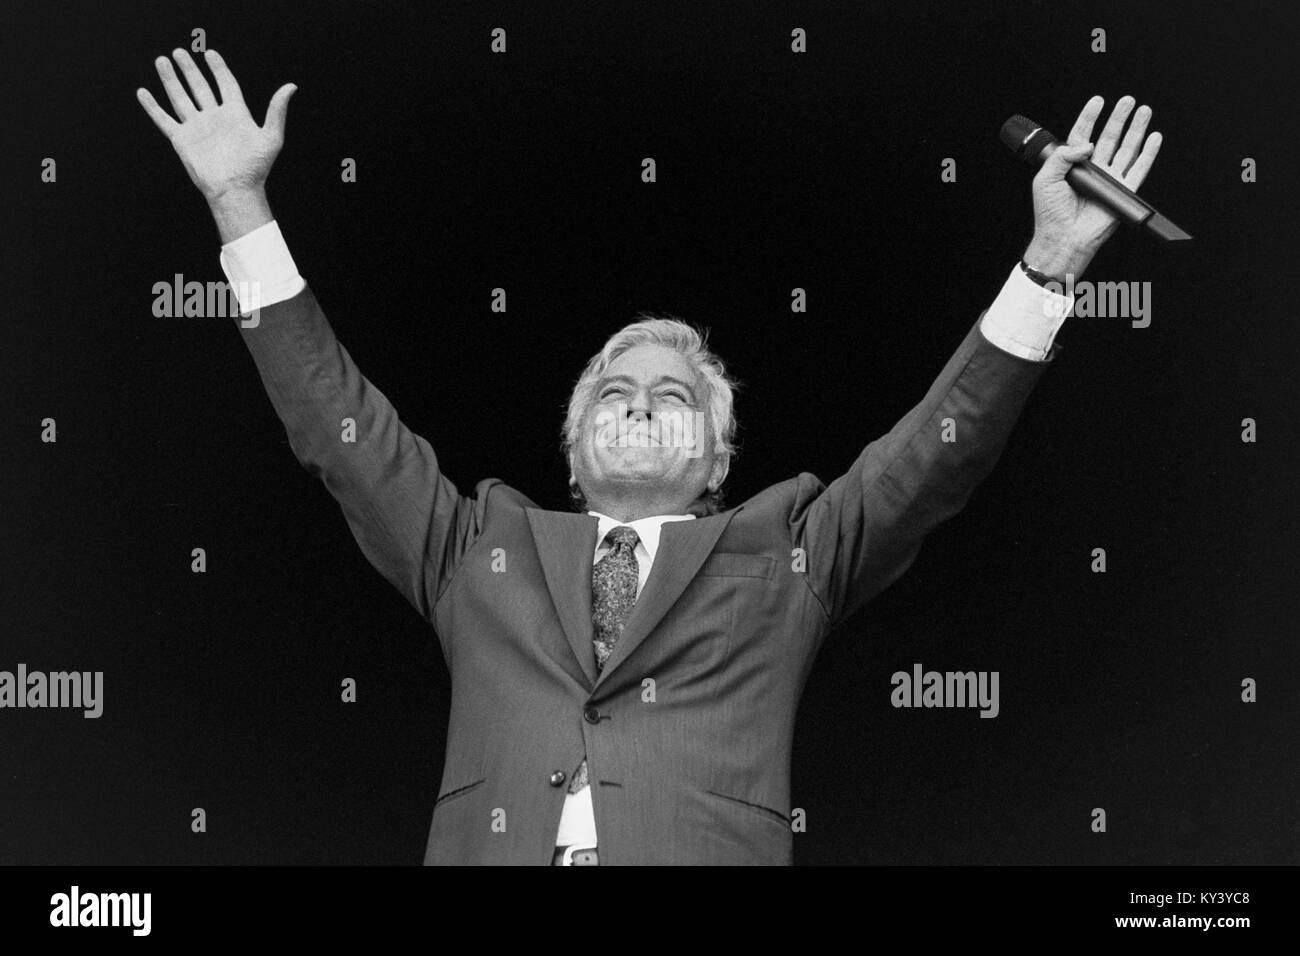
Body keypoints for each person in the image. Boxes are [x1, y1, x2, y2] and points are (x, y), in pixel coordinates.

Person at [138, 47, 1164, 865]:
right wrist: (240, 204)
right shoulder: (475, 543)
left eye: (671, 397)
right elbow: (337, 427)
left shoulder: (788, 553)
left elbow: (935, 453)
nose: (636, 408)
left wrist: (1053, 262)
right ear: (573, 454)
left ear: (717, 458)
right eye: (612, 395)